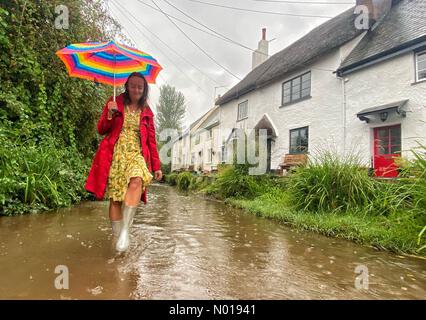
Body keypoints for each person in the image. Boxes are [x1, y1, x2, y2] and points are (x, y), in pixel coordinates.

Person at [85, 72, 162, 252]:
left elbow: (151, 141)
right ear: (127, 86)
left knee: (137, 180)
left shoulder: (147, 112)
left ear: (144, 90)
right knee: (115, 199)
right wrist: (109, 115)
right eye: (133, 85)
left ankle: (125, 231)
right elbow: (101, 130)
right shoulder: (114, 103)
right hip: (115, 154)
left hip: (136, 153)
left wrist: (156, 166)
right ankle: (116, 237)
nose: (136, 89)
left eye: (140, 87)